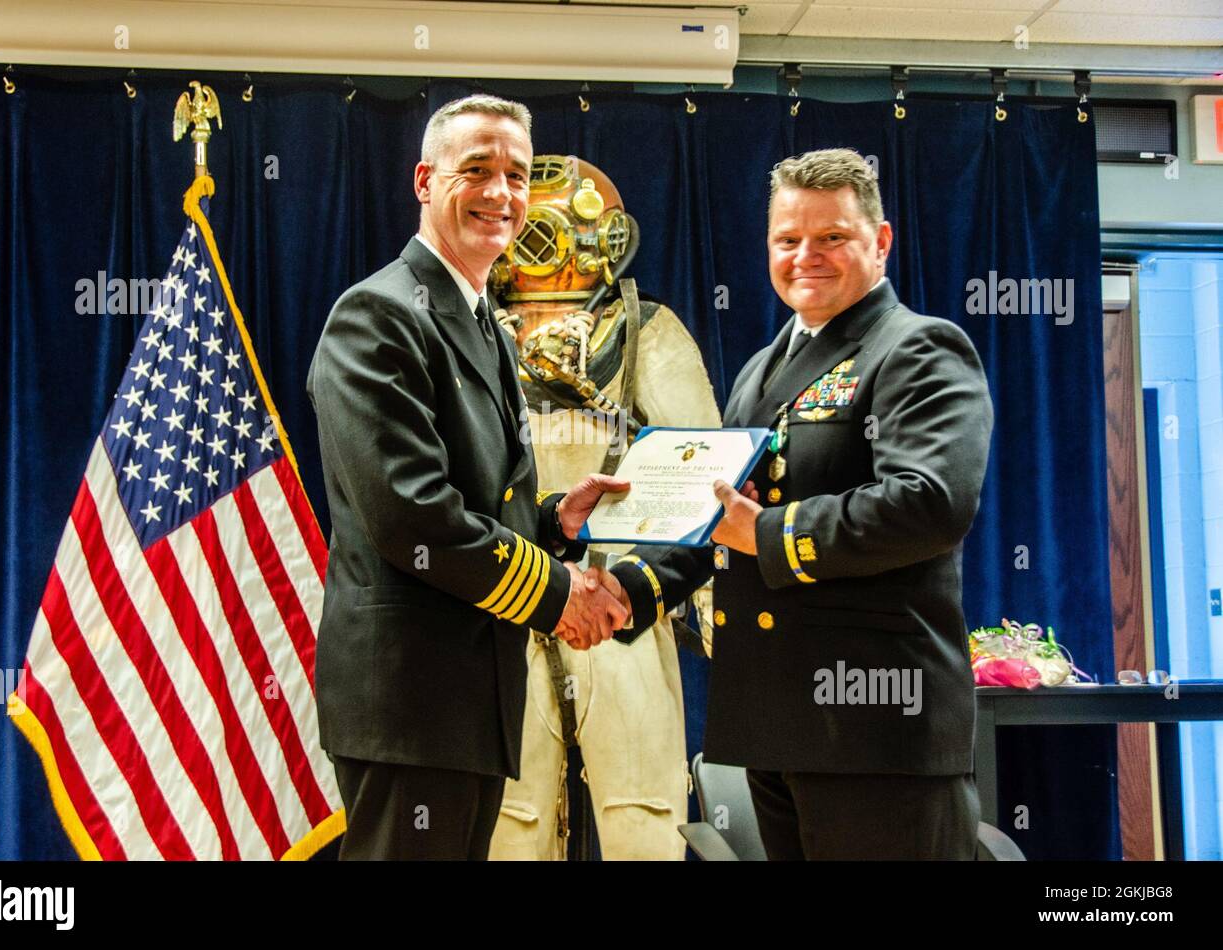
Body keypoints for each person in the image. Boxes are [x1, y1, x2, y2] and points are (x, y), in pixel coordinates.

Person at [597, 147, 995, 859]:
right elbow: (717, 515)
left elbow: (931, 502)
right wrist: (627, 590)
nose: (806, 255)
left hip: (876, 729)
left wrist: (775, 534)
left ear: (881, 241)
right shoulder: (763, 367)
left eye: (832, 237)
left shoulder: (918, 349)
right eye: (788, 240)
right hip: (776, 723)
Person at [306, 95, 629, 860]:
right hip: (410, 703)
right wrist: (558, 593)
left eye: (516, 175)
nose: (501, 193)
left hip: (467, 701)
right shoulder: (378, 316)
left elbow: (478, 497)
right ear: (425, 180)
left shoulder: (483, 321)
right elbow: (412, 517)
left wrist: (554, 521)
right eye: (476, 170)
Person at [484, 155, 722, 860]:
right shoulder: (469, 337)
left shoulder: (645, 331)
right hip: (509, 606)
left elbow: (705, 487)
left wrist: (676, 599)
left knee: (642, 817)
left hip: (621, 608)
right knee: (511, 823)